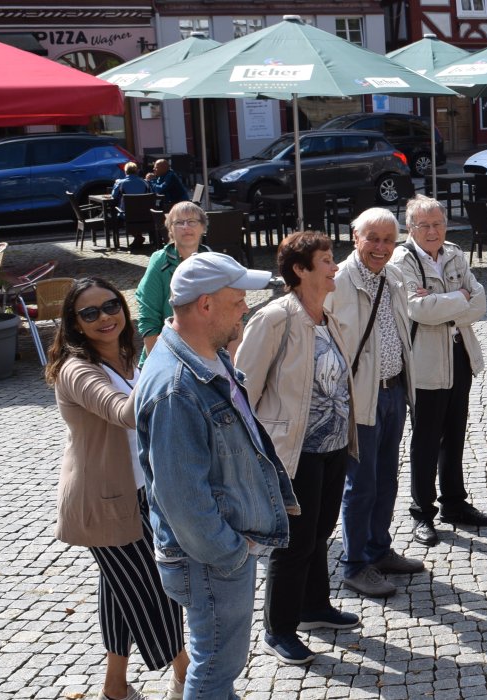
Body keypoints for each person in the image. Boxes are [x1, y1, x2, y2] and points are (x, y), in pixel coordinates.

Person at [134, 252, 292, 698]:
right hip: (210, 558)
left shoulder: (204, 356)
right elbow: (183, 500)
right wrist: (232, 552)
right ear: (205, 305)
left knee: (219, 666)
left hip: (214, 554)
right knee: (214, 669)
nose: (246, 307)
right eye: (237, 299)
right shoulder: (177, 388)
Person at [49, 277, 186, 700]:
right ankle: (189, 676)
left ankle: (114, 688)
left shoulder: (128, 357)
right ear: (74, 324)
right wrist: (172, 351)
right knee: (155, 589)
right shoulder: (76, 369)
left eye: (110, 306)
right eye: (89, 313)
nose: (104, 318)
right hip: (105, 503)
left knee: (120, 592)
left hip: (145, 494)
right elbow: (124, 411)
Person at [237, 231, 359, 665]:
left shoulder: (328, 317)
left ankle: (313, 607)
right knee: (294, 543)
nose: (335, 267)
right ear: (300, 270)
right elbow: (243, 391)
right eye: (326, 260)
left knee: (321, 533)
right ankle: (279, 628)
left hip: (331, 447)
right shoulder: (275, 319)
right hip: (293, 453)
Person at [324, 208, 425, 599]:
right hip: (358, 398)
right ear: (355, 236)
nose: (381, 247)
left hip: (393, 391)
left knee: (386, 478)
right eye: (373, 238)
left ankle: (379, 550)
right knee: (360, 484)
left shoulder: (393, 276)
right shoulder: (337, 282)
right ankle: (354, 564)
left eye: (388, 239)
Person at [390, 196, 487, 547]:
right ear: (410, 228)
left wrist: (448, 304)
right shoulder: (400, 260)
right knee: (425, 438)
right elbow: (417, 309)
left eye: (438, 224)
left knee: (454, 433)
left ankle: (454, 503)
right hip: (425, 360)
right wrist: (459, 299)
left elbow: (480, 301)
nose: (433, 231)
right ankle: (422, 511)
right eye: (425, 225)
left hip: (459, 353)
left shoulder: (453, 253)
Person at [135, 201, 212, 358]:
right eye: (178, 222)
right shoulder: (160, 261)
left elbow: (235, 315)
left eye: (192, 221)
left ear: (203, 227)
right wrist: (157, 363)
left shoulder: (214, 262)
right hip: (167, 351)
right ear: (170, 229)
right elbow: (148, 315)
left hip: (209, 352)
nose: (186, 227)